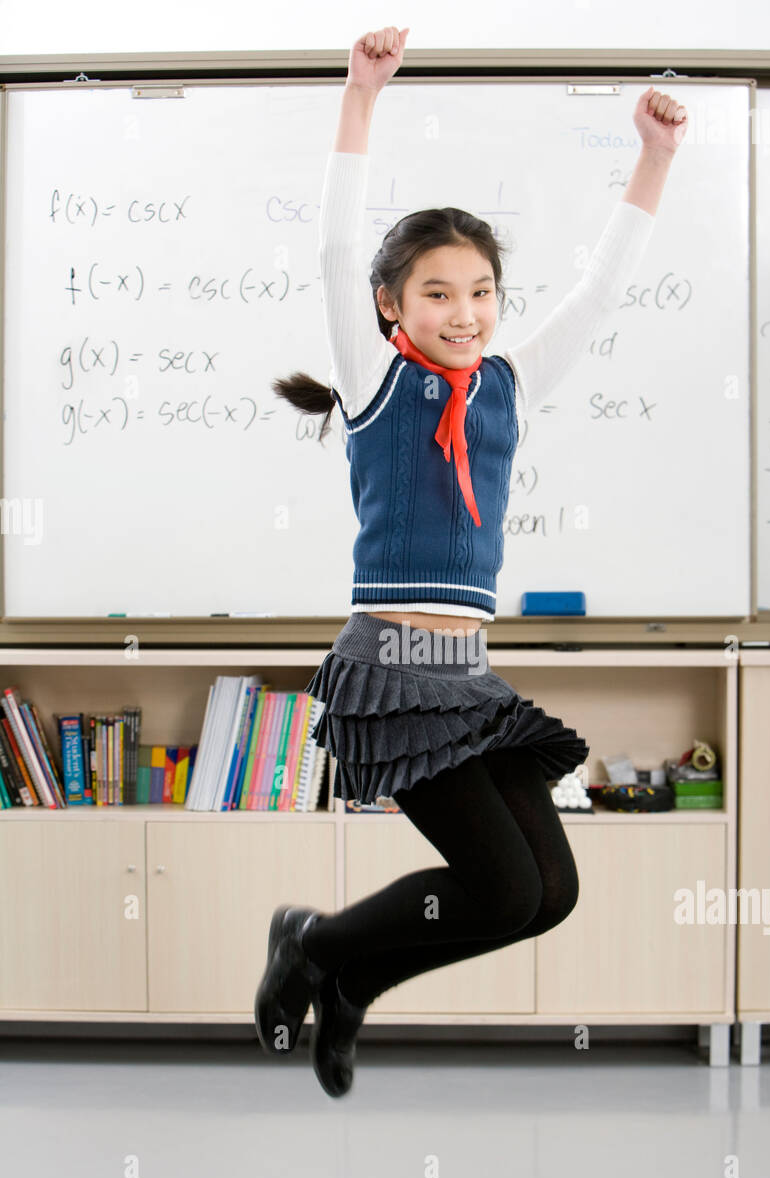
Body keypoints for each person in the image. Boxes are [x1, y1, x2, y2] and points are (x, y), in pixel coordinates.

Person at [254, 25, 687, 1097]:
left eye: (480, 291)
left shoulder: (507, 385)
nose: (464, 312)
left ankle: (342, 969)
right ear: (391, 307)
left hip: (468, 681)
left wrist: (655, 160)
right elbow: (330, 242)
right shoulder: (374, 383)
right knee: (497, 890)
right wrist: (360, 96)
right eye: (437, 293)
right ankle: (316, 945)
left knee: (547, 890)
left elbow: (596, 292)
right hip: (393, 670)